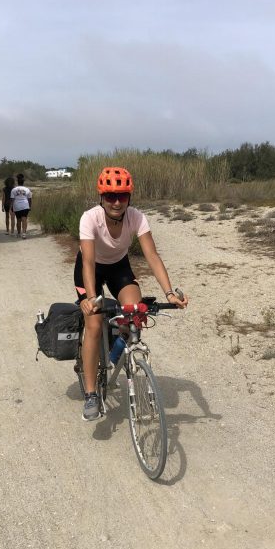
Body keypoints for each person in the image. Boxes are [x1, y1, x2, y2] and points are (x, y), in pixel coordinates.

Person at [75, 166, 188, 421]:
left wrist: (169, 293)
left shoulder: (136, 217)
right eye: (110, 196)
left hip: (118, 267)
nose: (116, 202)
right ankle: (92, 394)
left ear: (129, 197)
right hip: (90, 268)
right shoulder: (90, 218)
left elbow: (152, 255)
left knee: (136, 313)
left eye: (122, 196)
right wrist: (91, 299)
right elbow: (88, 263)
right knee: (93, 323)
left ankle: (116, 350)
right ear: (101, 197)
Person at [10, 173, 32, 238]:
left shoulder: (14, 190)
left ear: (17, 181)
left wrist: (11, 207)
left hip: (17, 206)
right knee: (24, 219)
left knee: (18, 220)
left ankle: (19, 233)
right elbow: (30, 199)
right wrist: (30, 206)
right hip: (25, 206)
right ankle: (24, 233)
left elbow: (12, 199)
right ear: (23, 182)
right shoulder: (27, 189)